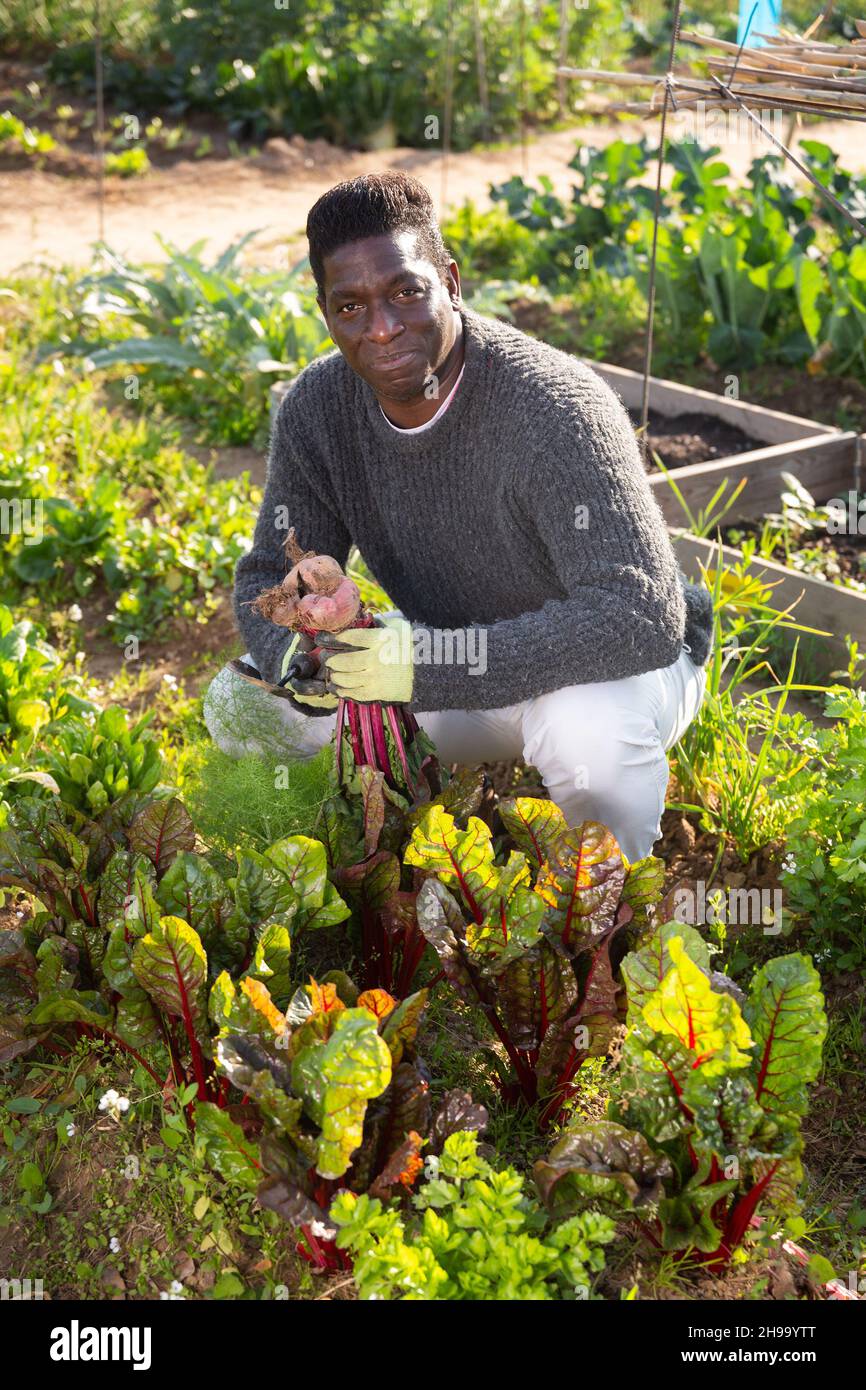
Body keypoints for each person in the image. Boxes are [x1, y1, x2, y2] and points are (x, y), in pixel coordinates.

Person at [204, 171, 713, 861]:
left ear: (450, 279)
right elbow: (269, 572)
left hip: (602, 672)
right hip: (446, 662)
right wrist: (314, 642)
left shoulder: (555, 409)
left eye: (405, 292)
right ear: (324, 310)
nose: (382, 328)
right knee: (242, 707)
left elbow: (640, 618)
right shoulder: (319, 409)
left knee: (587, 734)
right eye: (350, 306)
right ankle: (401, 827)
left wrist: (426, 664)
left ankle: (613, 907)